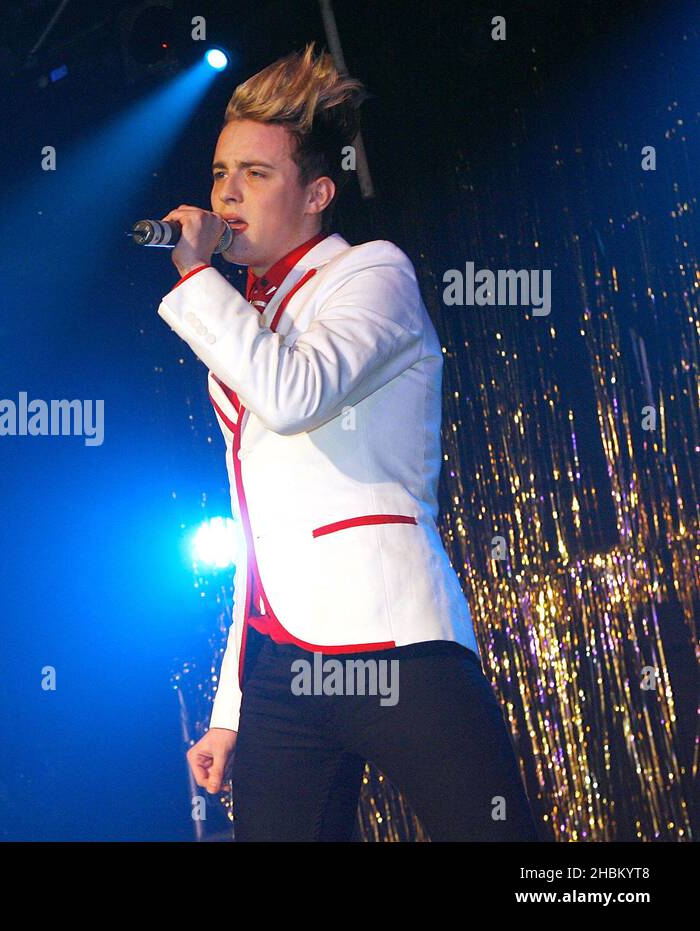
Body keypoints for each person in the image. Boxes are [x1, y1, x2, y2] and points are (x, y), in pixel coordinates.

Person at [158, 45, 538, 841]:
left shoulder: (371, 274)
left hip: (388, 638)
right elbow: (261, 539)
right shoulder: (243, 324)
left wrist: (197, 282)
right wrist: (230, 708)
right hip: (277, 662)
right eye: (221, 171)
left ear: (317, 192)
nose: (227, 191)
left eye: (256, 174)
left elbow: (296, 394)